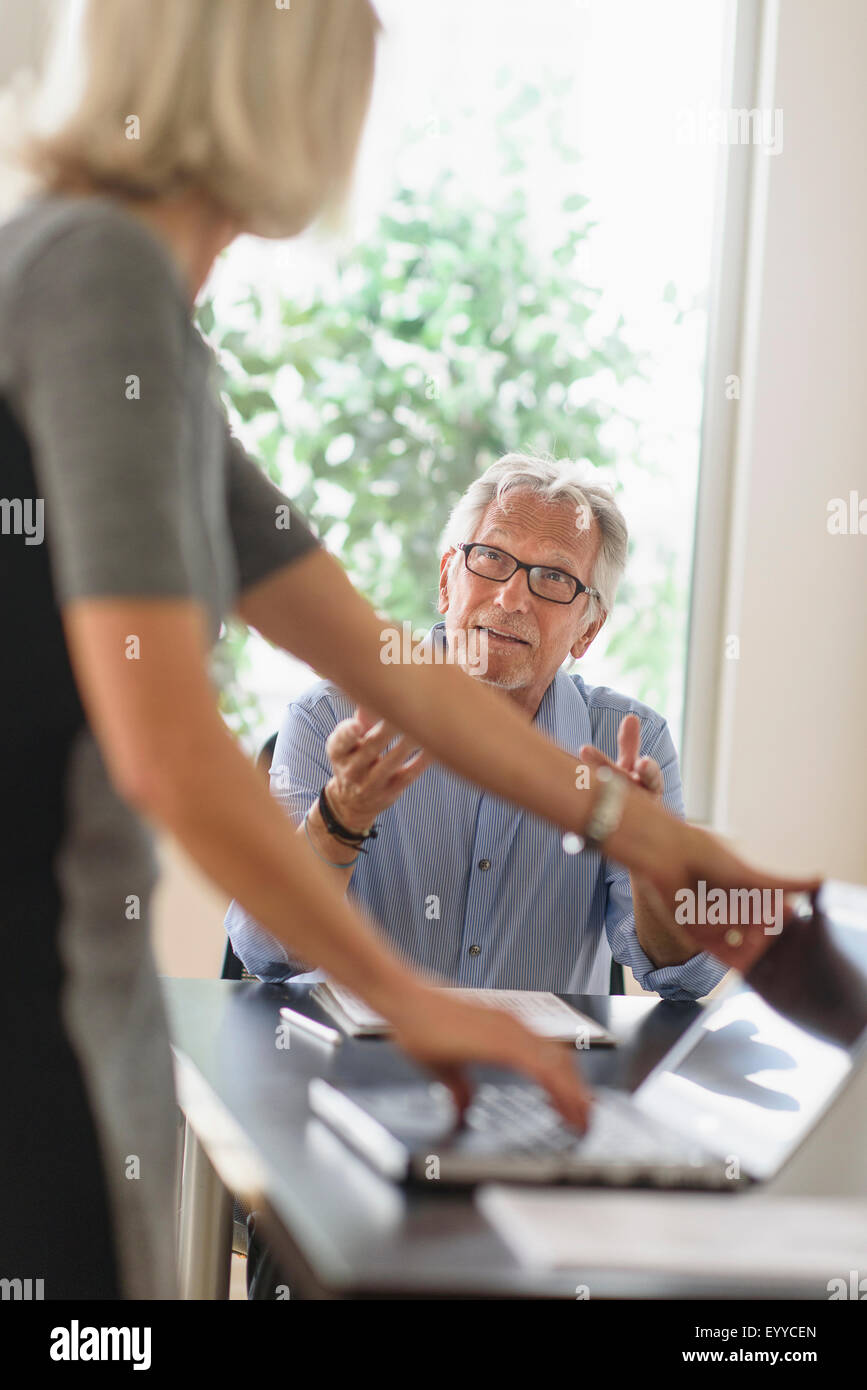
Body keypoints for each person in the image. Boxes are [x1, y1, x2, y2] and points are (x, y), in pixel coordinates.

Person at [0, 0, 817, 1300]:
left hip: (74, 995)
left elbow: (392, 662)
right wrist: (400, 988)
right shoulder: (93, 275)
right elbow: (164, 737)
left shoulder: (148, 334)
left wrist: (654, 835)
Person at [227, 453, 727, 1001]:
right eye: (491, 558)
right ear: (447, 580)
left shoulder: (631, 744)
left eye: (554, 578)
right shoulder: (327, 716)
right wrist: (342, 815)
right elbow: (263, 948)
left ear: (589, 629)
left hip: (546, 1075)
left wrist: (648, 852)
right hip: (363, 1068)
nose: (512, 598)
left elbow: (687, 977)